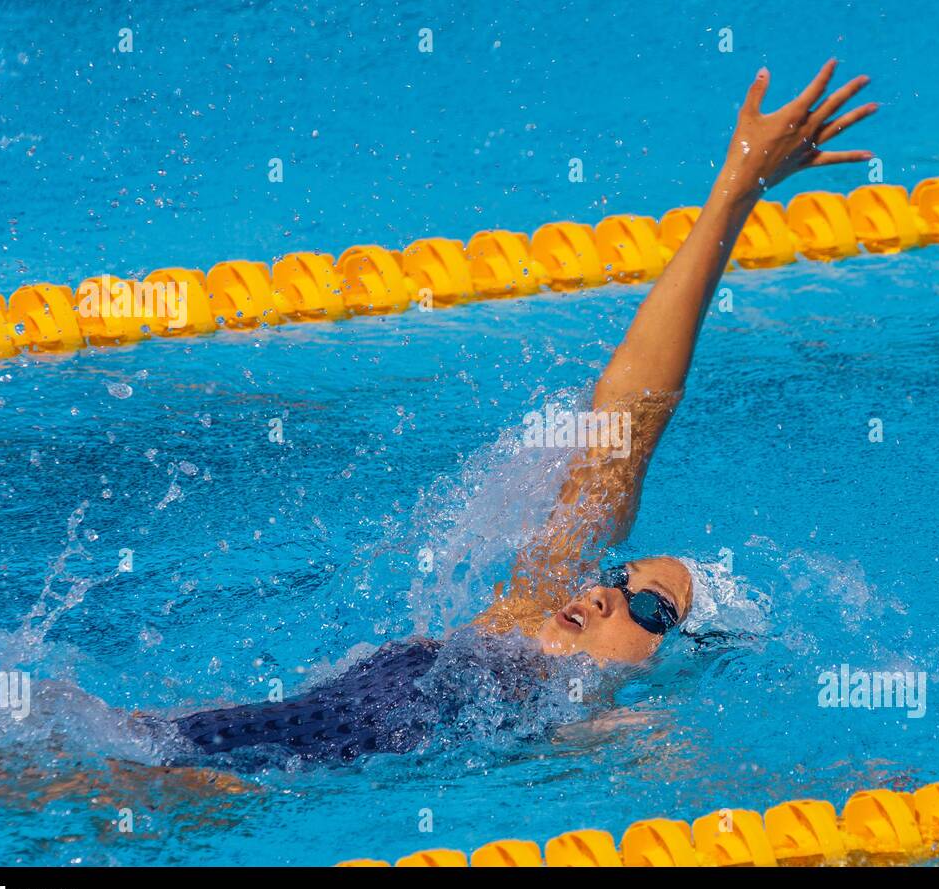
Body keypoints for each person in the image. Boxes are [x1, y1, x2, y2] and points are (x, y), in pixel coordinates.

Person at [169, 59, 877, 765]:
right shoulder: (512, 619)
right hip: (177, 745)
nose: (606, 596)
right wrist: (735, 190)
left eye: (652, 611)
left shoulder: (595, 729)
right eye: (619, 578)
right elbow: (625, 421)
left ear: (675, 667)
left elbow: (725, 798)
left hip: (209, 792)